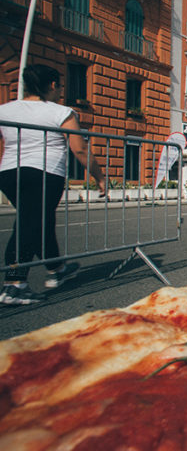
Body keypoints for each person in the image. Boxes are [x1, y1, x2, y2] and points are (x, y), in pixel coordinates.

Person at [0, 64, 107, 304]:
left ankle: (57, 269)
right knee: (29, 224)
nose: (60, 91)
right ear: (52, 85)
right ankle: (14, 284)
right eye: (59, 86)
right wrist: (99, 177)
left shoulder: (5, 109)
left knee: (40, 220)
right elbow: (79, 148)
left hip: (9, 172)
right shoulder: (61, 112)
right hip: (45, 172)